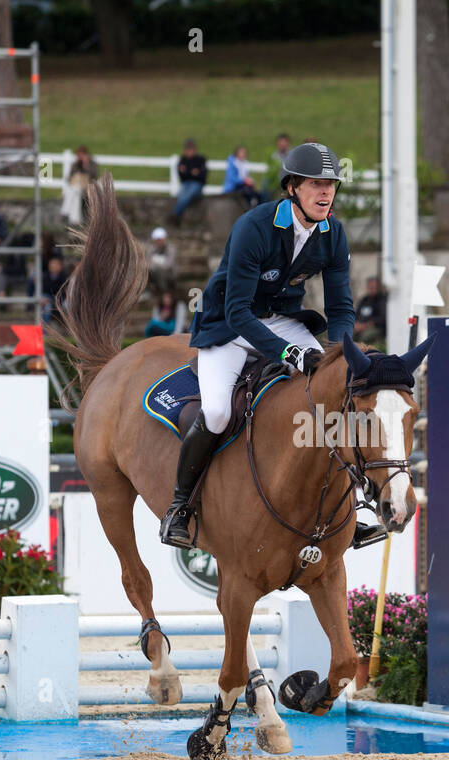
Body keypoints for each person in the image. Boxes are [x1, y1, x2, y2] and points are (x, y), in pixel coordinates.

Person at [160, 142, 382, 552]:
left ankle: (357, 506)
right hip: (228, 325)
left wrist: (347, 352)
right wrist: (290, 354)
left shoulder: (332, 233)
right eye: (317, 184)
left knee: (338, 390)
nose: (326, 193)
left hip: (282, 321)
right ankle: (179, 507)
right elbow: (239, 312)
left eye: (331, 185)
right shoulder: (254, 226)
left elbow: (340, 306)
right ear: (293, 187)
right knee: (217, 411)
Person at [171, 139, 207, 225]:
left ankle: (176, 214)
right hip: (186, 183)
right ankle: (176, 215)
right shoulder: (183, 160)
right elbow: (181, 174)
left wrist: (188, 172)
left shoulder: (200, 160)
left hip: (197, 184)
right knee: (183, 194)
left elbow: (202, 175)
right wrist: (193, 172)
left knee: (188, 193)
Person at [62, 145, 99, 226]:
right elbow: (70, 177)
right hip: (76, 188)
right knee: (76, 191)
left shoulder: (92, 164)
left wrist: (85, 165)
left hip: (87, 187)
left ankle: (66, 212)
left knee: (75, 190)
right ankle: (74, 220)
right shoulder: (76, 164)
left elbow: (93, 176)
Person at [354, 276, 388, 349]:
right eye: (370, 287)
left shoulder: (382, 299)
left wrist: (365, 325)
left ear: (378, 287)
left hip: (376, 327)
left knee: (365, 337)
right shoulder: (364, 299)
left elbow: (382, 318)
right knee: (347, 334)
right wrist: (356, 324)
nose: (372, 289)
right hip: (360, 326)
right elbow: (356, 314)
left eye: (374, 287)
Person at [33, 255, 68, 323]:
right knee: (42, 303)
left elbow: (62, 294)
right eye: (51, 264)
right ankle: (41, 330)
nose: (53, 266)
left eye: (55, 264)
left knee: (47, 308)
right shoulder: (44, 276)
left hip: (57, 300)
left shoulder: (64, 278)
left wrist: (50, 300)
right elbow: (43, 290)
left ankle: (45, 331)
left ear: (60, 266)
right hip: (45, 297)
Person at [146, 226, 177, 296]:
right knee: (146, 271)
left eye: (160, 239)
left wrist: (155, 263)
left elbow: (168, 265)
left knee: (159, 271)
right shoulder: (152, 249)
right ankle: (147, 291)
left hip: (169, 275)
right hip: (155, 274)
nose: (159, 241)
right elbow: (147, 263)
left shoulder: (170, 249)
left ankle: (165, 293)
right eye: (157, 240)